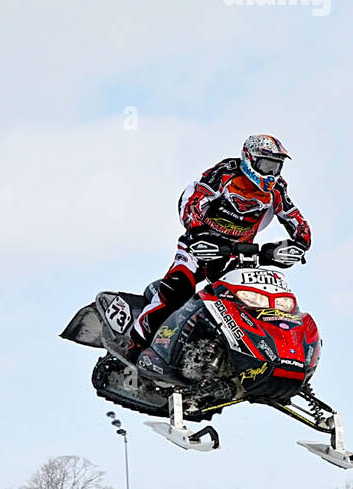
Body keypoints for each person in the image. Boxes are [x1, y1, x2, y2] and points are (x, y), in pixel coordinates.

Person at [130, 134, 312, 355]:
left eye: (276, 167)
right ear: (250, 159)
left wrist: (301, 241)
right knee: (178, 290)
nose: (271, 174)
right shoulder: (226, 173)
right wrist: (197, 231)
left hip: (237, 255)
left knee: (250, 304)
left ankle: (240, 358)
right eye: (266, 165)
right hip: (200, 246)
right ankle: (136, 344)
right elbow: (193, 200)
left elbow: (294, 217)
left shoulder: (277, 189)